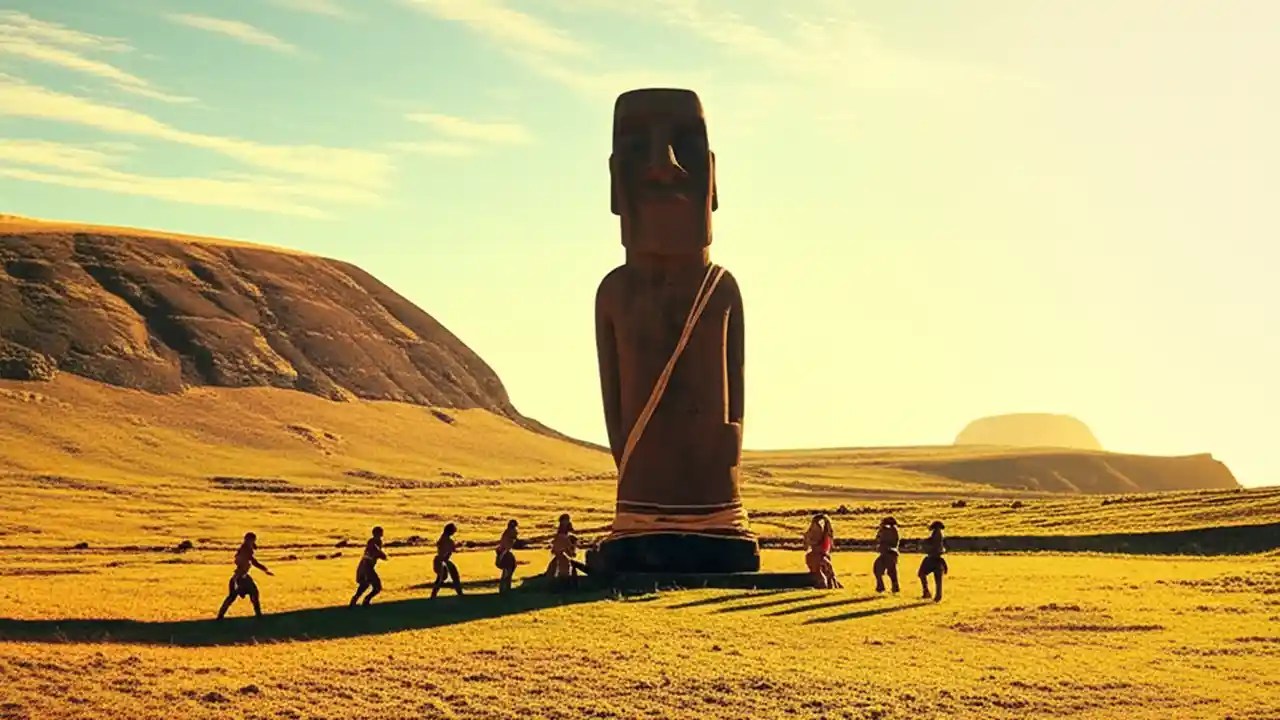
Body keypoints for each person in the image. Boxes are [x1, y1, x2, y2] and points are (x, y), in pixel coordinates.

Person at [217, 531, 273, 619]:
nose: (253, 542)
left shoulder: (246, 549)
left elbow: (249, 559)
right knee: (252, 593)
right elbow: (252, 561)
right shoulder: (245, 549)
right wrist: (265, 569)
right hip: (240, 577)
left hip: (241, 576)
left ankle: (220, 616)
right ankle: (259, 616)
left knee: (235, 596)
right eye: (252, 540)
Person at [350, 525, 388, 607]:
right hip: (367, 567)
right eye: (381, 532)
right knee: (377, 587)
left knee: (365, 585)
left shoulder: (376, 541)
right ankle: (365, 600)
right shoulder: (373, 542)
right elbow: (375, 550)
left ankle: (356, 601)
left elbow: (376, 551)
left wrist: (381, 554)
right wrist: (381, 555)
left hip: (365, 566)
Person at [543, 514, 590, 578]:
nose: (565, 524)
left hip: (561, 561)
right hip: (562, 562)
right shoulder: (562, 537)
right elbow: (569, 553)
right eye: (564, 522)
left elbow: (568, 552)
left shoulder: (563, 537)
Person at [803, 514, 840, 589]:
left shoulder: (823, 535)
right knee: (824, 575)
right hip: (820, 557)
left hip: (818, 557)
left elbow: (808, 544)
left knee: (822, 574)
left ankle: (826, 585)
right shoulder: (826, 536)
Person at [430, 523, 463, 598]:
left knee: (450, 575)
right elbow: (450, 548)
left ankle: (459, 592)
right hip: (441, 560)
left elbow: (451, 549)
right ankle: (434, 594)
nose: (454, 533)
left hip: (444, 560)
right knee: (442, 577)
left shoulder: (445, 538)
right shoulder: (446, 539)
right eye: (453, 531)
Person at [918, 520, 948, 602]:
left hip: (933, 558)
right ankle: (936, 596)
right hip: (936, 558)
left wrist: (923, 542)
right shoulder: (938, 534)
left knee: (922, 573)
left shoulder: (937, 533)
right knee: (938, 580)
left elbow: (932, 542)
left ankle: (927, 592)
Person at [873, 516, 901, 593]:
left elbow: (888, 542)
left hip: (890, 554)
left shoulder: (892, 531)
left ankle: (892, 587)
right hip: (885, 554)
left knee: (891, 572)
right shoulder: (886, 530)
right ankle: (881, 586)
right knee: (878, 569)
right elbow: (878, 539)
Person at [495, 519, 519, 593]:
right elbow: (505, 545)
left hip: (505, 553)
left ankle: (505, 588)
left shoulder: (508, 533)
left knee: (509, 570)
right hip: (505, 554)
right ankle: (504, 589)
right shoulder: (509, 533)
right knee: (507, 571)